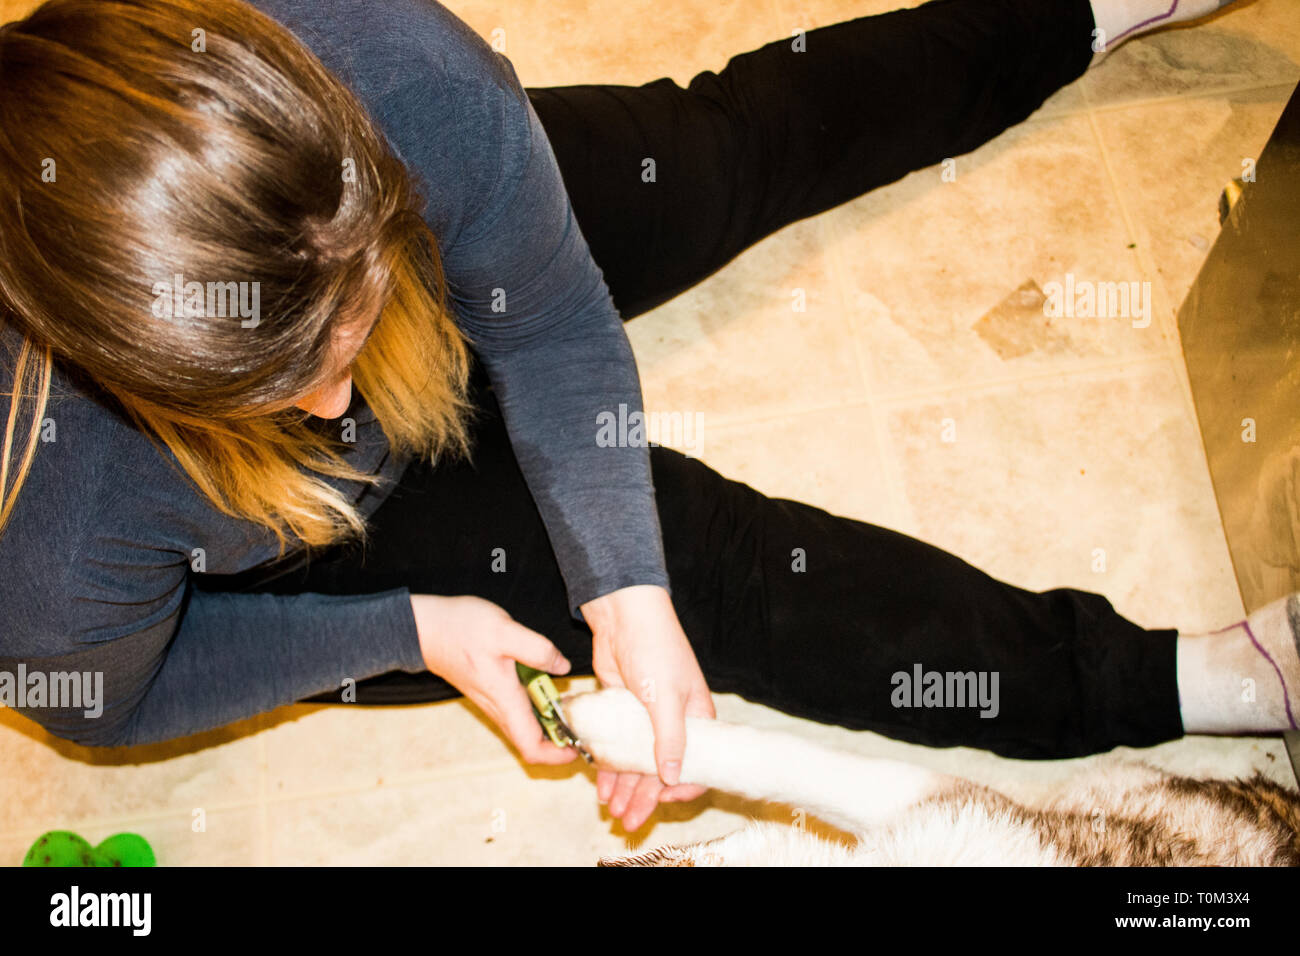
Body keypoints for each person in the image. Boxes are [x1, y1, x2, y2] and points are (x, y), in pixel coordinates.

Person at [1, 0, 1291, 835]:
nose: (344, 404)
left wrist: (619, 589)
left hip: (386, 192)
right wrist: (413, 629)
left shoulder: (392, 70)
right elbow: (114, 699)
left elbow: (551, 324)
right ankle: (1191, 674)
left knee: (716, 156)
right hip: (281, 531)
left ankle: (1068, 16)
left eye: (359, 313)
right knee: (712, 569)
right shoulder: (49, 548)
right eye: (291, 389)